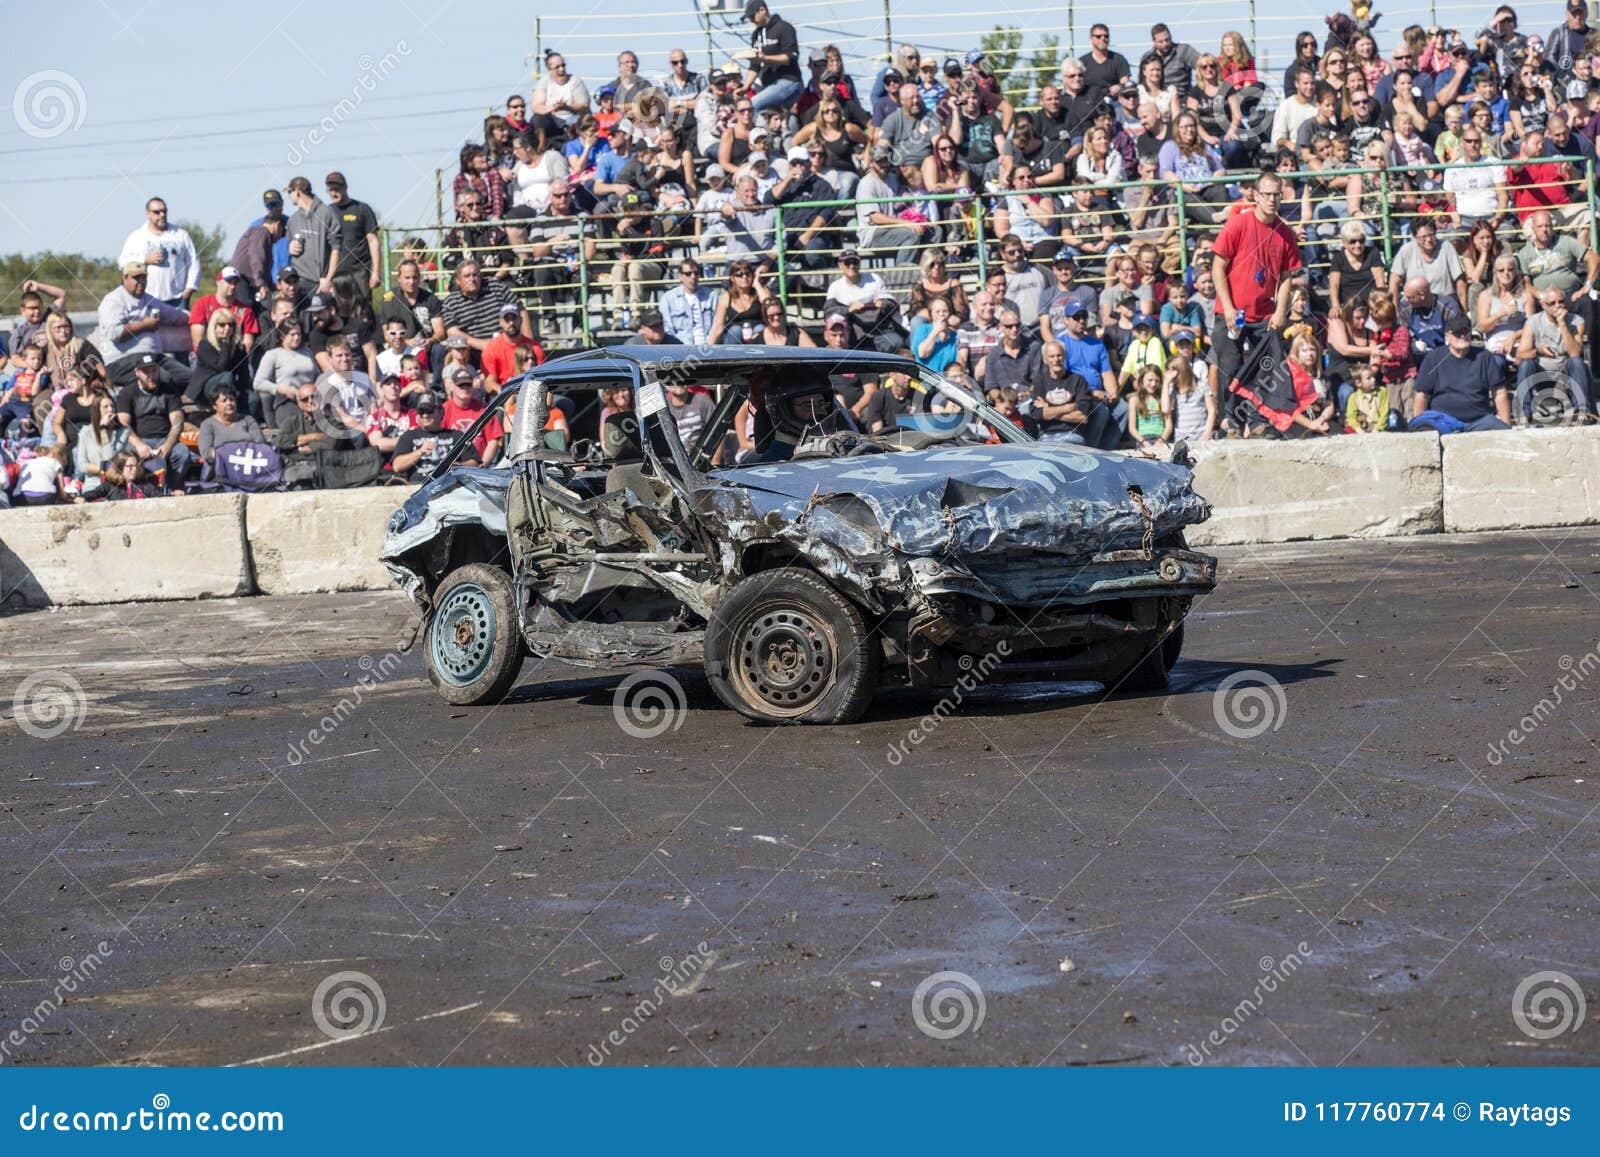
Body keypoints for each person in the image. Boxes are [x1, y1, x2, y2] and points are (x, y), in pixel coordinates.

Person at [1210, 170, 1303, 401]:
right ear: (1256, 196)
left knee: (1270, 366)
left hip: (1263, 314)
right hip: (1232, 312)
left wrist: (1281, 311)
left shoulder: (1285, 233)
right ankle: (1229, 422)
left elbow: (1286, 277)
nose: (1272, 199)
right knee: (1230, 368)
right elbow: (1217, 267)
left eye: (1277, 194)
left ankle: (1263, 422)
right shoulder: (1238, 224)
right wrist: (1229, 308)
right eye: (1267, 194)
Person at [95, 262, 191, 384]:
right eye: (136, 278)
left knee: (190, 378)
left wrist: (201, 316)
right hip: (122, 362)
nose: (141, 281)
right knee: (163, 379)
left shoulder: (150, 300)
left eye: (143, 277)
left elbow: (176, 315)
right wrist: (145, 325)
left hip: (154, 358)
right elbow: (115, 334)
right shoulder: (113, 300)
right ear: (125, 278)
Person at [1413, 314, 1512, 430]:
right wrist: (1418, 423)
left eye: (1466, 332)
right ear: (1447, 336)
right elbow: (1422, 395)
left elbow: (1500, 392)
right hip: (1442, 420)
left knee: (1503, 432)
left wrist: (1506, 424)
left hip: (1479, 420)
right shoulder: (1433, 358)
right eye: (1457, 333)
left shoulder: (1484, 357)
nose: (1463, 336)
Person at [1515, 286, 1592, 420]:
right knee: (1526, 365)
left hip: (1566, 376)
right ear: (1543, 305)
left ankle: (1581, 412)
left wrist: (1562, 324)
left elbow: (1575, 353)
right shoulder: (1533, 321)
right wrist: (1538, 351)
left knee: (1577, 362)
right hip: (1541, 374)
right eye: (1552, 303)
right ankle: (1524, 415)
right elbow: (1520, 354)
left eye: (1561, 301)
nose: (1558, 306)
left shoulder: (1576, 321)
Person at [116, 353, 191, 484]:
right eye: (146, 371)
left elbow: (177, 422)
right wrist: (139, 444)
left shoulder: (169, 390)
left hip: (165, 438)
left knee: (182, 452)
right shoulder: (127, 392)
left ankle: (173, 487)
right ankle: (137, 489)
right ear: (137, 372)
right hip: (139, 439)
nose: (151, 375)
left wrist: (168, 445)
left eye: (154, 370)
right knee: (126, 455)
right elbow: (123, 423)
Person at [118, 197, 199, 307]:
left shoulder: (180, 235)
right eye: (157, 212)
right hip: (146, 299)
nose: (162, 215)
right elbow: (122, 263)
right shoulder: (137, 237)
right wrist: (145, 260)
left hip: (177, 299)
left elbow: (194, 262)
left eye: (164, 211)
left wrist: (189, 289)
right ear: (148, 214)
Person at [740, 1, 802, 113]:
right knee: (766, 117)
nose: (751, 20)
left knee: (750, 106)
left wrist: (765, 58)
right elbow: (755, 65)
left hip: (788, 81)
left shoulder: (784, 28)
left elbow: (791, 56)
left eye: (752, 16)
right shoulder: (756, 35)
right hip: (769, 86)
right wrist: (745, 87)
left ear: (762, 10)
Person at [253, 321, 317, 427]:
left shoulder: (307, 352)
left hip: (311, 400)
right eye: (292, 334)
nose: (296, 338)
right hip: (287, 402)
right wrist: (284, 390)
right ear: (282, 336)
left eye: (299, 334)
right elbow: (258, 383)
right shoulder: (273, 355)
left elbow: (317, 375)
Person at [325, 172, 381, 290]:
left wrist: (376, 272)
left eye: (337, 189)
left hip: (360, 273)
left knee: (362, 307)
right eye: (330, 190)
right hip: (334, 274)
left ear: (345, 187)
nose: (333, 193)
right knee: (336, 307)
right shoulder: (326, 212)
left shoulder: (362, 209)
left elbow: (373, 241)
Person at [188, 309, 252, 408]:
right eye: (222, 325)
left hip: (230, 387)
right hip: (206, 387)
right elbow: (222, 367)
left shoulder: (238, 346)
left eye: (230, 325)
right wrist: (226, 343)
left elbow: (244, 373)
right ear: (214, 327)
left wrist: (243, 390)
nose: (227, 328)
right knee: (227, 376)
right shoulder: (205, 344)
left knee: (253, 399)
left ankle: (246, 420)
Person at [481, 303, 543, 391]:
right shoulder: (491, 348)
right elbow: (489, 384)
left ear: (521, 320)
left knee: (565, 402)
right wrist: (508, 394)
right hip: (503, 395)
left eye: (514, 318)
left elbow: (542, 377)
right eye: (507, 319)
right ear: (500, 322)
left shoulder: (535, 348)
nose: (511, 323)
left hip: (532, 392)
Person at [197, 387, 264, 468]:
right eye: (224, 401)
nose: (229, 403)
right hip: (220, 469)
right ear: (215, 406)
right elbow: (207, 453)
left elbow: (260, 445)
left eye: (232, 400)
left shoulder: (248, 420)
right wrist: (234, 458)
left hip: (249, 466)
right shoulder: (207, 424)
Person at [910, 296, 958, 370]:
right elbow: (922, 354)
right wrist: (935, 332)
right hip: (926, 377)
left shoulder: (954, 335)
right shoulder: (923, 329)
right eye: (937, 311)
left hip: (946, 378)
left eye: (945, 311)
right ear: (931, 314)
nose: (941, 314)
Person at [1127, 365, 1171, 447]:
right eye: (1150, 380)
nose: (1153, 384)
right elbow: (1132, 428)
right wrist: (1143, 442)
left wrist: (1161, 440)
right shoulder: (1134, 400)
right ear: (1141, 380)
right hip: (1143, 439)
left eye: (1157, 381)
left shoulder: (1163, 399)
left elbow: (1169, 426)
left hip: (1160, 438)